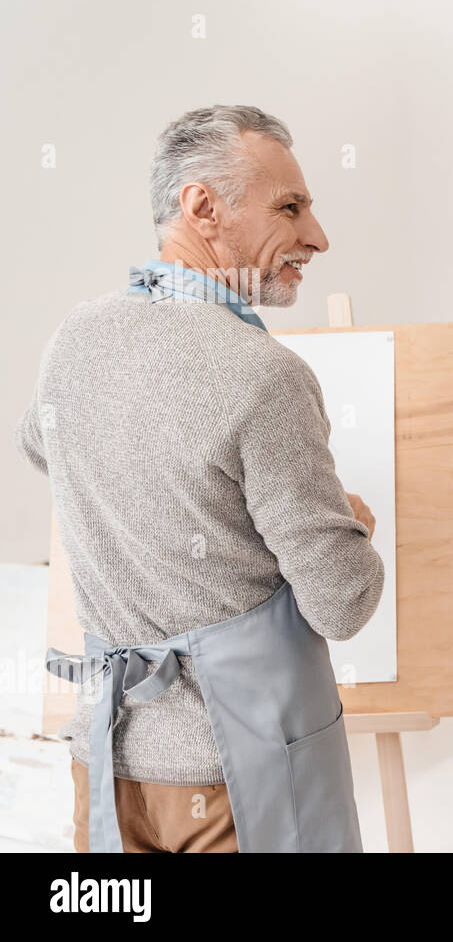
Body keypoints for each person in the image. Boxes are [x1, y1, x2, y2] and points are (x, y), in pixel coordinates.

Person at [14, 105, 383, 852]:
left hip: (107, 764)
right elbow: (343, 601)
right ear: (202, 207)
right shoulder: (264, 375)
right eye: (291, 206)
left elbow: (39, 446)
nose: (318, 236)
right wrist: (351, 522)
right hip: (239, 780)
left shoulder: (76, 335)